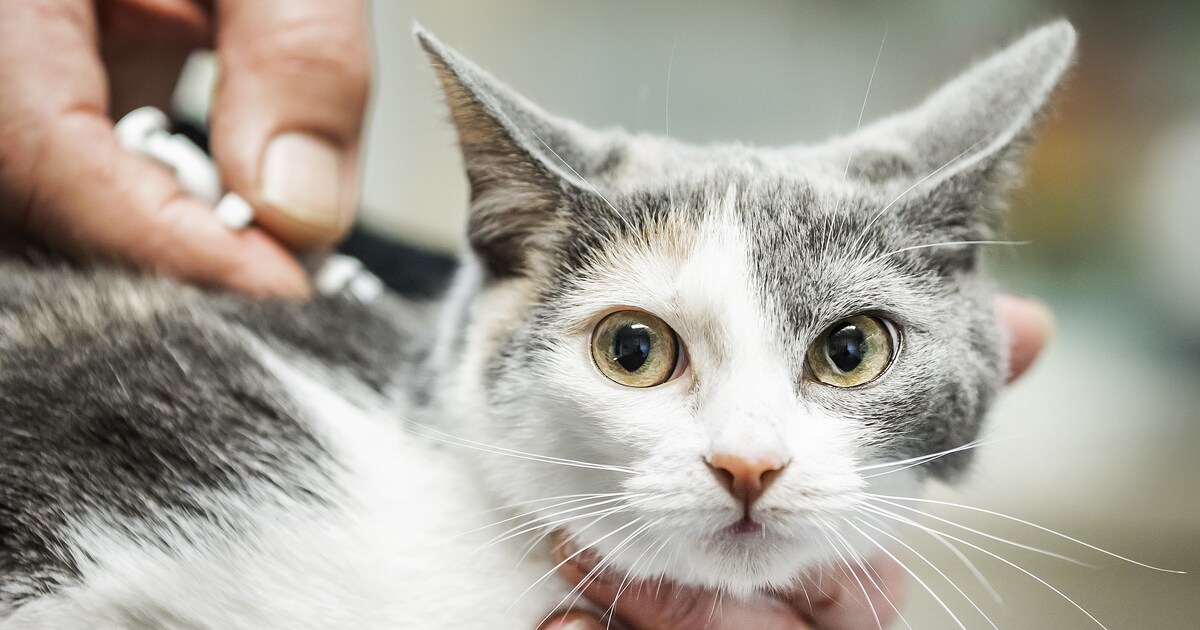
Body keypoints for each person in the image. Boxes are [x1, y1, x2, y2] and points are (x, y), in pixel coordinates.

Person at [0, 2, 1052, 628]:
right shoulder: (323, 477)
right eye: (635, 349)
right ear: (510, 259)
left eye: (849, 348)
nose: (748, 454)